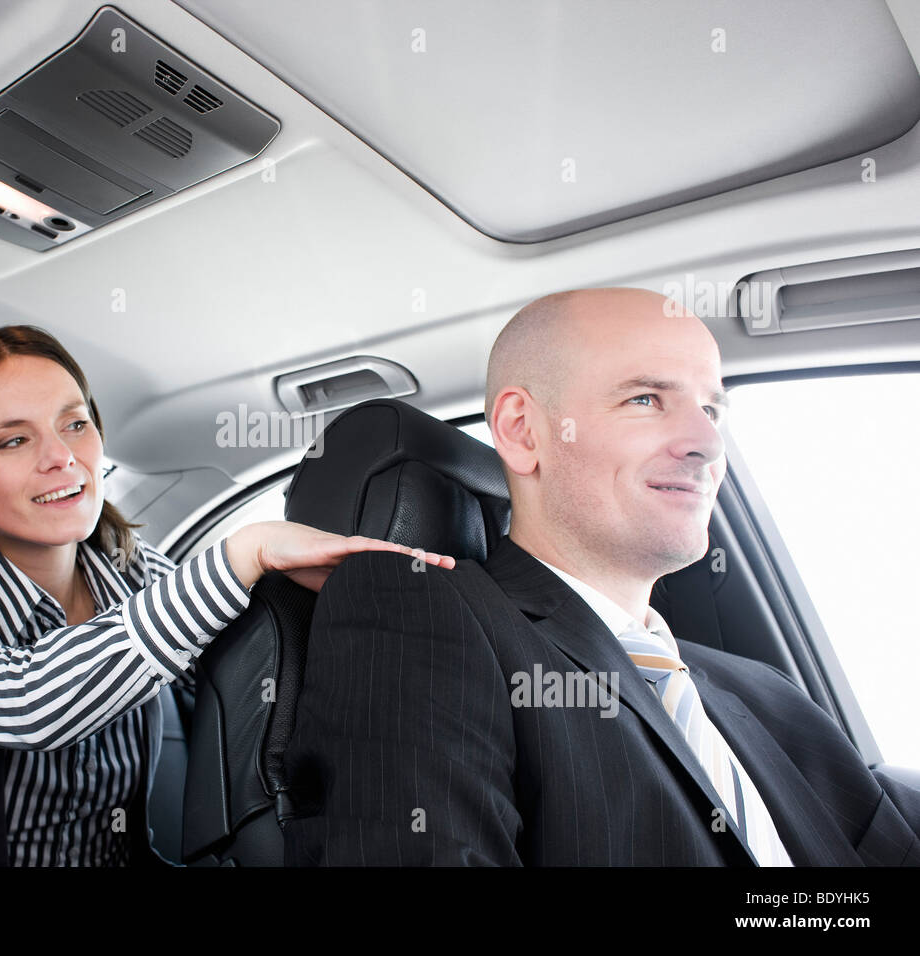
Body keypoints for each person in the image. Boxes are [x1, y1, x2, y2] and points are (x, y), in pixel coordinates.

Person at [282, 287, 920, 866]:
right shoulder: (418, 612)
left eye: (712, 410)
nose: (706, 441)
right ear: (524, 431)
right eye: (646, 399)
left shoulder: (768, 694)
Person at [0, 324, 453, 867]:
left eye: (75, 424)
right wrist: (242, 551)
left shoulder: (131, 574)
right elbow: (22, 702)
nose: (61, 458)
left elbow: (257, 677)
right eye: (13, 440)